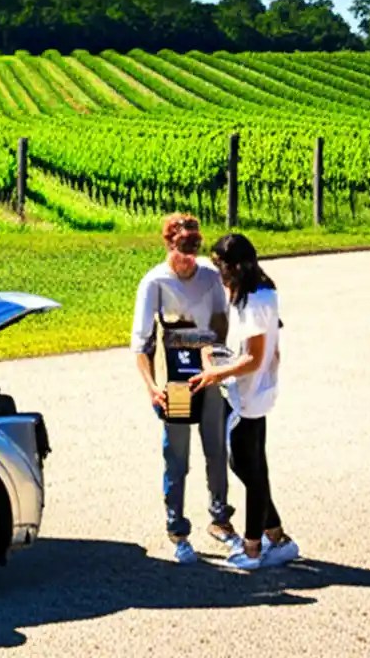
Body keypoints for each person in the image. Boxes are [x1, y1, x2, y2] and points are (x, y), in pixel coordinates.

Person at [131, 213, 239, 564]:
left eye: (195, 245)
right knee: (176, 457)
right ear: (168, 243)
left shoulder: (209, 275)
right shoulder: (154, 283)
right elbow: (142, 344)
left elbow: (221, 320)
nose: (190, 255)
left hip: (207, 377)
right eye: (183, 247)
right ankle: (177, 530)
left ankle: (220, 520)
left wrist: (215, 357)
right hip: (175, 383)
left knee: (216, 451)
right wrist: (150, 388)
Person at [188, 233, 299, 570]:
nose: (218, 272)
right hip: (251, 390)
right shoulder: (253, 291)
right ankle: (277, 537)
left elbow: (254, 358)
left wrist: (213, 375)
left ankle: (253, 548)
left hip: (248, 396)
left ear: (236, 266)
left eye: (220, 266)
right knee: (251, 466)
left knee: (249, 470)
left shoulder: (255, 300)